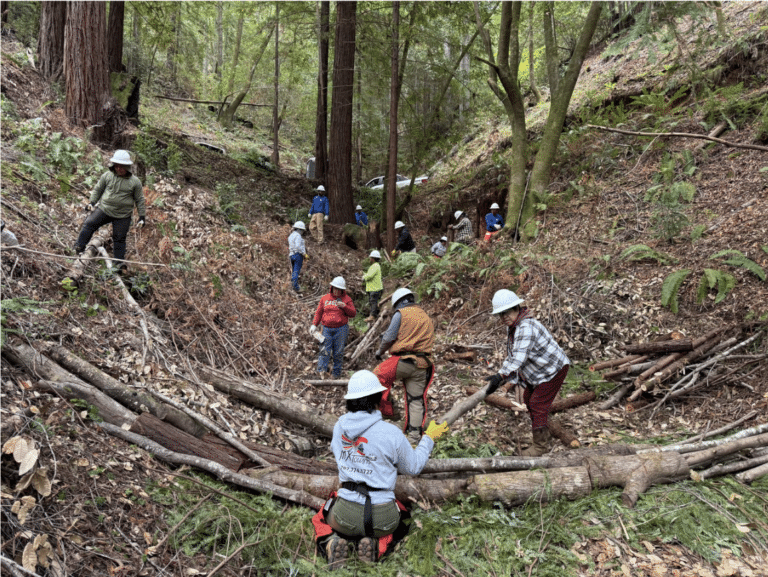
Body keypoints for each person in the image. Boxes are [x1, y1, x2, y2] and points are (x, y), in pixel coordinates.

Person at [312, 370, 449, 569]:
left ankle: (330, 542)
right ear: (378, 398)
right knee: (402, 521)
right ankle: (377, 545)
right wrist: (429, 438)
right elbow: (413, 467)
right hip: (382, 517)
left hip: (344, 515)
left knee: (321, 515)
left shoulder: (340, 427)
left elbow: (337, 452)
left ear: (350, 401)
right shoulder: (391, 433)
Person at [484, 289, 570, 456]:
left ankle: (540, 447)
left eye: (507, 312)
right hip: (539, 371)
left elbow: (518, 359)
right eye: (500, 315)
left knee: (537, 404)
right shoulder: (514, 327)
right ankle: (540, 432)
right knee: (528, 399)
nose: (504, 318)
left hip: (553, 369)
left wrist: (500, 376)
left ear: (516, 308)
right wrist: (500, 376)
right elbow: (513, 355)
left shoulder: (525, 327)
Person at [373, 288, 435, 444]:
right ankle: (414, 438)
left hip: (404, 361)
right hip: (423, 364)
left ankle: (389, 410)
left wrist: (380, 352)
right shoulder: (425, 316)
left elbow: (389, 337)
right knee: (415, 400)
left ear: (398, 303)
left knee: (376, 377)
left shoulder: (401, 314)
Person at [74, 150, 145, 274]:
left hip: (123, 215)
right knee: (89, 224)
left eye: (122, 166)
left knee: (119, 238)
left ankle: (118, 265)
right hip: (104, 209)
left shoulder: (135, 182)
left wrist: (142, 216)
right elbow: (98, 189)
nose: (119, 168)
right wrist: (91, 202)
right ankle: (79, 247)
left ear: (127, 167)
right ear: (113, 165)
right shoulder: (107, 176)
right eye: (117, 166)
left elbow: (139, 200)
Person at [311, 277, 357, 378]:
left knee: (338, 352)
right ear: (332, 288)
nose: (336, 291)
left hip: (341, 329)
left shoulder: (347, 299)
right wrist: (314, 324)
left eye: (339, 289)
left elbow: (353, 313)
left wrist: (344, 306)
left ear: (342, 290)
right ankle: (321, 372)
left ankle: (336, 374)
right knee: (324, 350)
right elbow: (319, 312)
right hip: (326, 329)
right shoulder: (325, 298)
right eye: (335, 288)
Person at [288, 221, 309, 293]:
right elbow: (298, 246)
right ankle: (296, 287)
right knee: (296, 271)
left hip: (291, 255)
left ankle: (293, 285)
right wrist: (304, 254)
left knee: (293, 271)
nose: (302, 232)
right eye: (302, 230)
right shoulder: (298, 236)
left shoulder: (290, 236)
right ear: (300, 229)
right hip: (298, 255)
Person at [362, 250, 383, 322]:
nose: (369, 259)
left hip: (374, 288)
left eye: (370, 258)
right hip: (374, 288)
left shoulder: (375, 266)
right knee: (373, 301)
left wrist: (364, 277)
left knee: (373, 301)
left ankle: (373, 316)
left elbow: (369, 276)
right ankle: (374, 314)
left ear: (373, 258)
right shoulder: (376, 266)